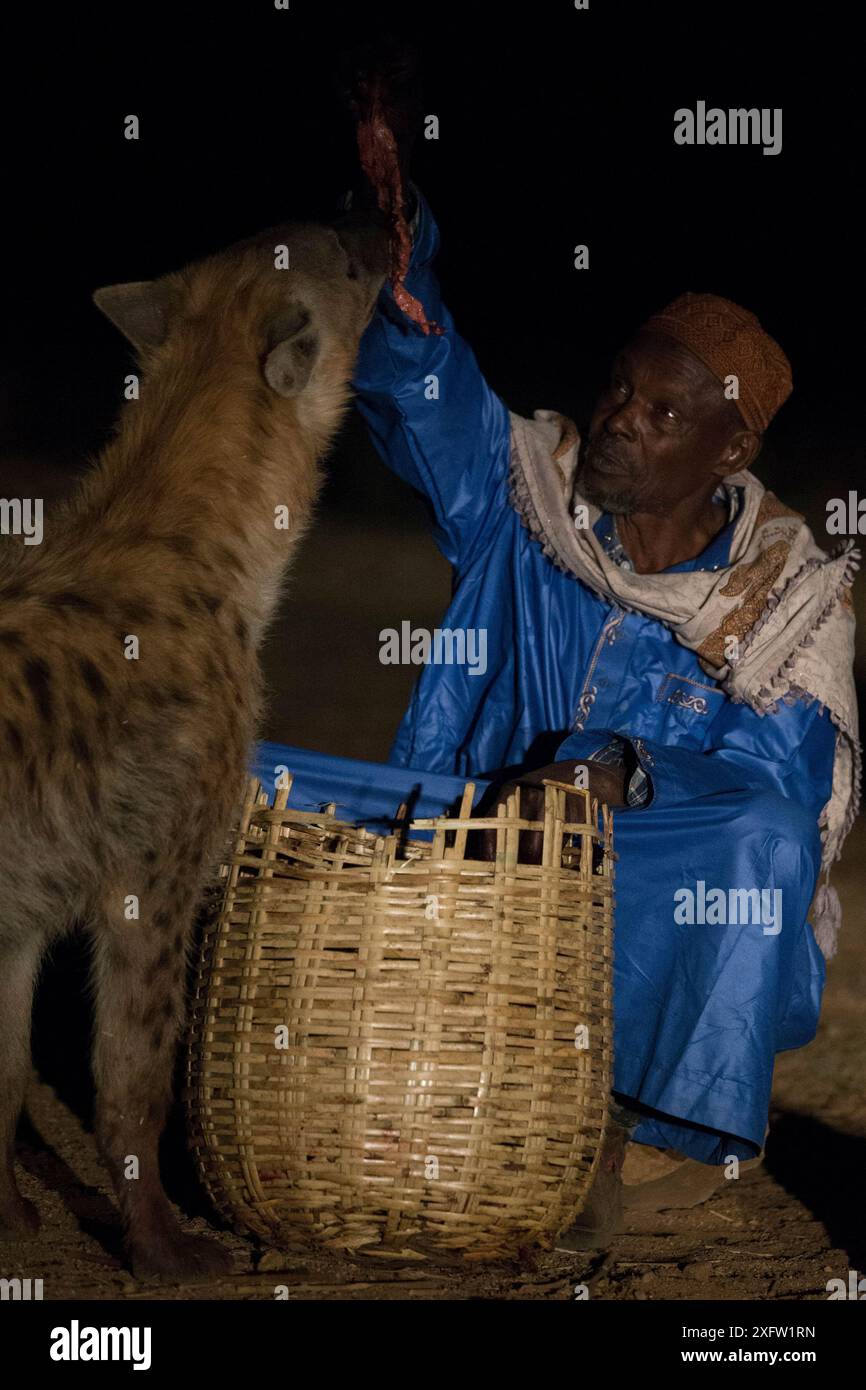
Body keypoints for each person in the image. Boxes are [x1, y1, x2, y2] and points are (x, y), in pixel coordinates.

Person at [334, 47, 859, 1247]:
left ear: (727, 453)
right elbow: (431, 394)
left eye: (662, 412)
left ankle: (654, 1124)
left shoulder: (782, 600)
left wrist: (615, 765)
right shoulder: (521, 503)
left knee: (759, 840)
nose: (620, 417)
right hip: (492, 850)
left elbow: (776, 798)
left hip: (637, 879)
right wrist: (397, 260)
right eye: (620, 387)